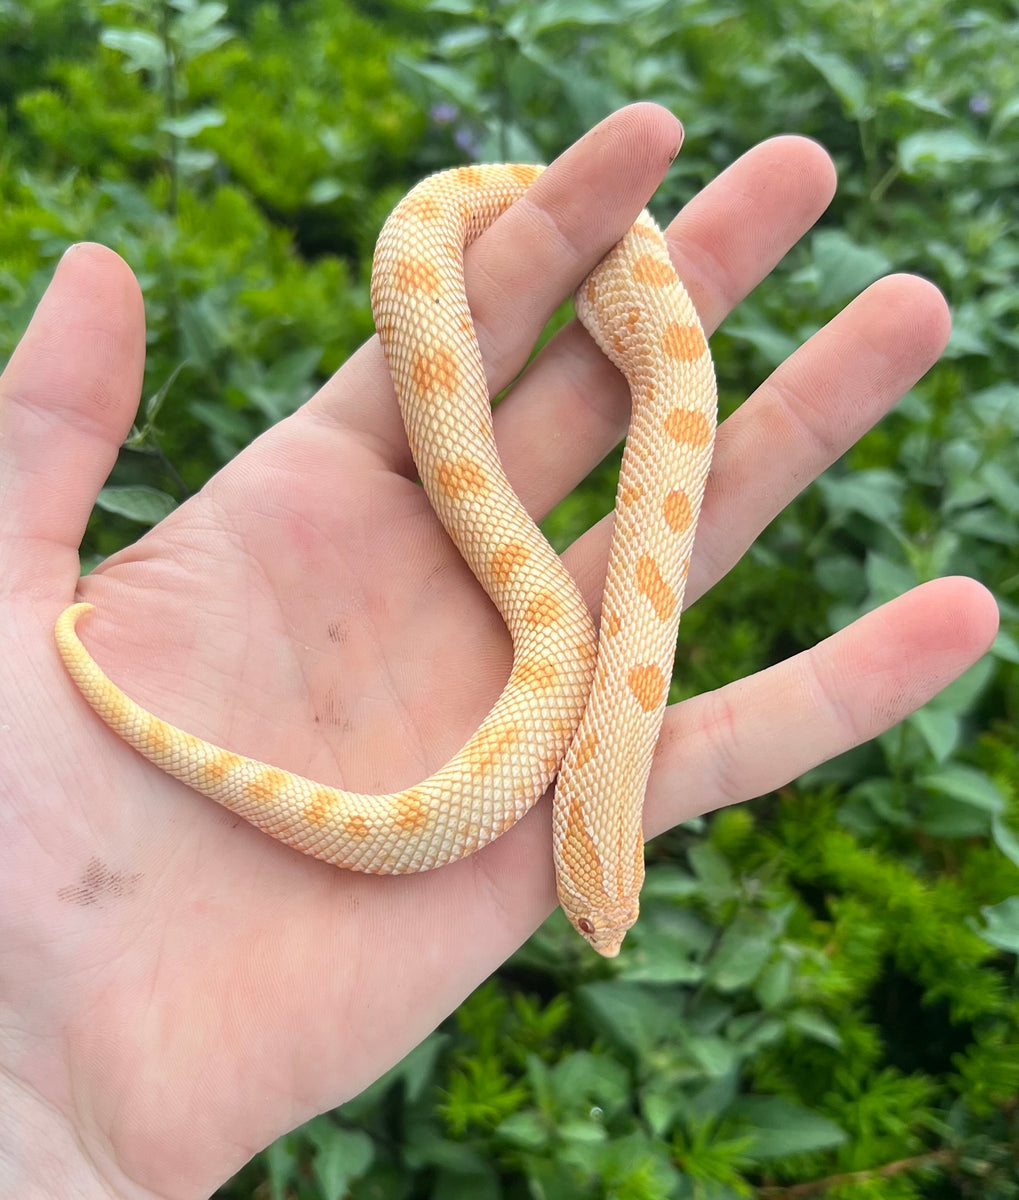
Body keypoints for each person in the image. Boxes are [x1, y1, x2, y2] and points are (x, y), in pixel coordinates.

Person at [0, 103, 997, 1199]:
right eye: (594, 909)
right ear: (579, 828)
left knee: (580, 607)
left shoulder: (584, 723)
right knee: (574, 597)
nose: (596, 932)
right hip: (463, 243)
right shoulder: (580, 718)